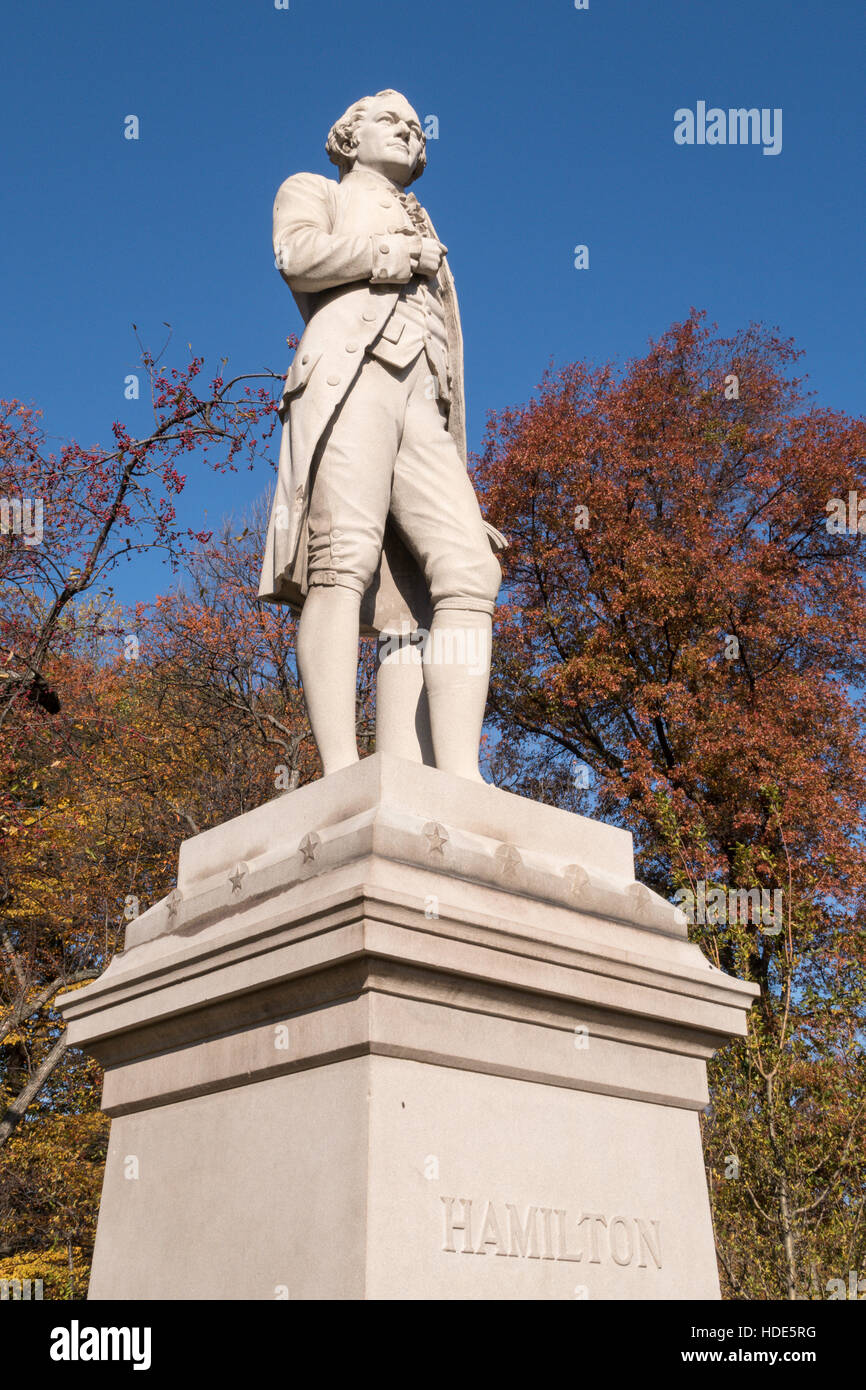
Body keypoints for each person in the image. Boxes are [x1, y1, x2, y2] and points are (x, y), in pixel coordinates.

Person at [258, 89, 503, 782]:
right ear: (347, 135)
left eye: (416, 127)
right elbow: (298, 256)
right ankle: (342, 772)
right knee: (345, 561)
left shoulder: (428, 219)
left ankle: (454, 778)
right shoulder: (315, 189)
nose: (409, 132)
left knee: (466, 572)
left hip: (423, 406)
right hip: (351, 377)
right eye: (388, 122)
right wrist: (393, 255)